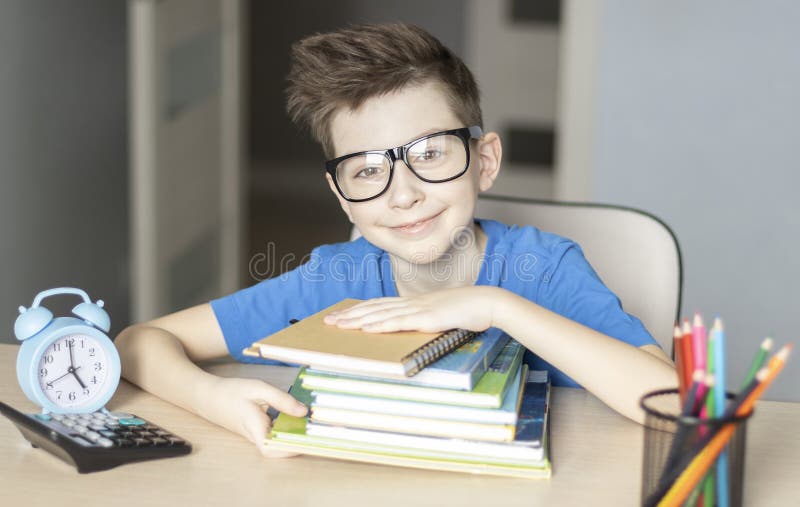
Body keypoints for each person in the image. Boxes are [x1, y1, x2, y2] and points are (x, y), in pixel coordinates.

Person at [116, 23, 676, 457]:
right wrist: (213, 399)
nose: (402, 195)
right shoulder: (334, 279)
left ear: (484, 161)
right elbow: (138, 343)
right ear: (341, 196)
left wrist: (495, 306)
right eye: (365, 170)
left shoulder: (544, 269)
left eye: (430, 153)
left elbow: (674, 404)